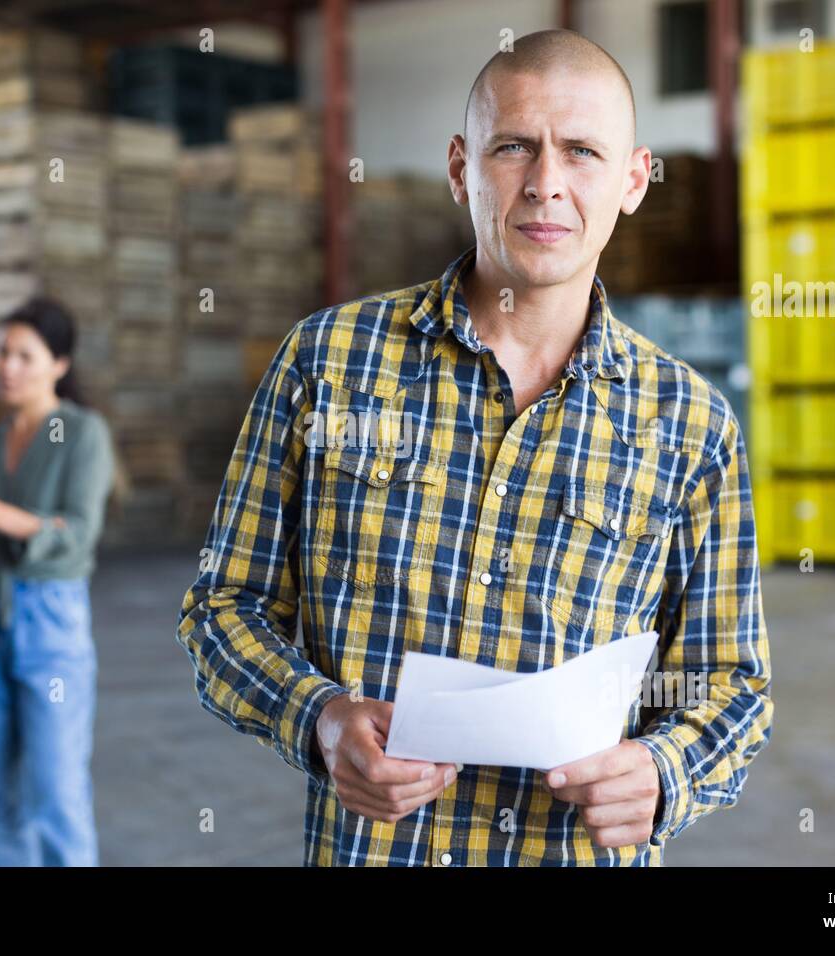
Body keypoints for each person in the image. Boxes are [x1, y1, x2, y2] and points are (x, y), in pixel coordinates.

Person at [177, 29, 774, 866]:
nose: (546, 184)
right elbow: (223, 606)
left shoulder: (690, 424)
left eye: (582, 152)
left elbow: (732, 683)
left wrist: (664, 773)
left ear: (634, 179)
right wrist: (318, 716)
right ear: (462, 167)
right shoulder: (327, 363)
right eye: (514, 147)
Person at [0, 297, 114, 867]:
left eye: (24, 355)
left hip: (50, 618)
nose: (6, 366)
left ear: (59, 363)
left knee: (57, 794)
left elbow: (79, 532)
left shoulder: (83, 434)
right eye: (0, 353)